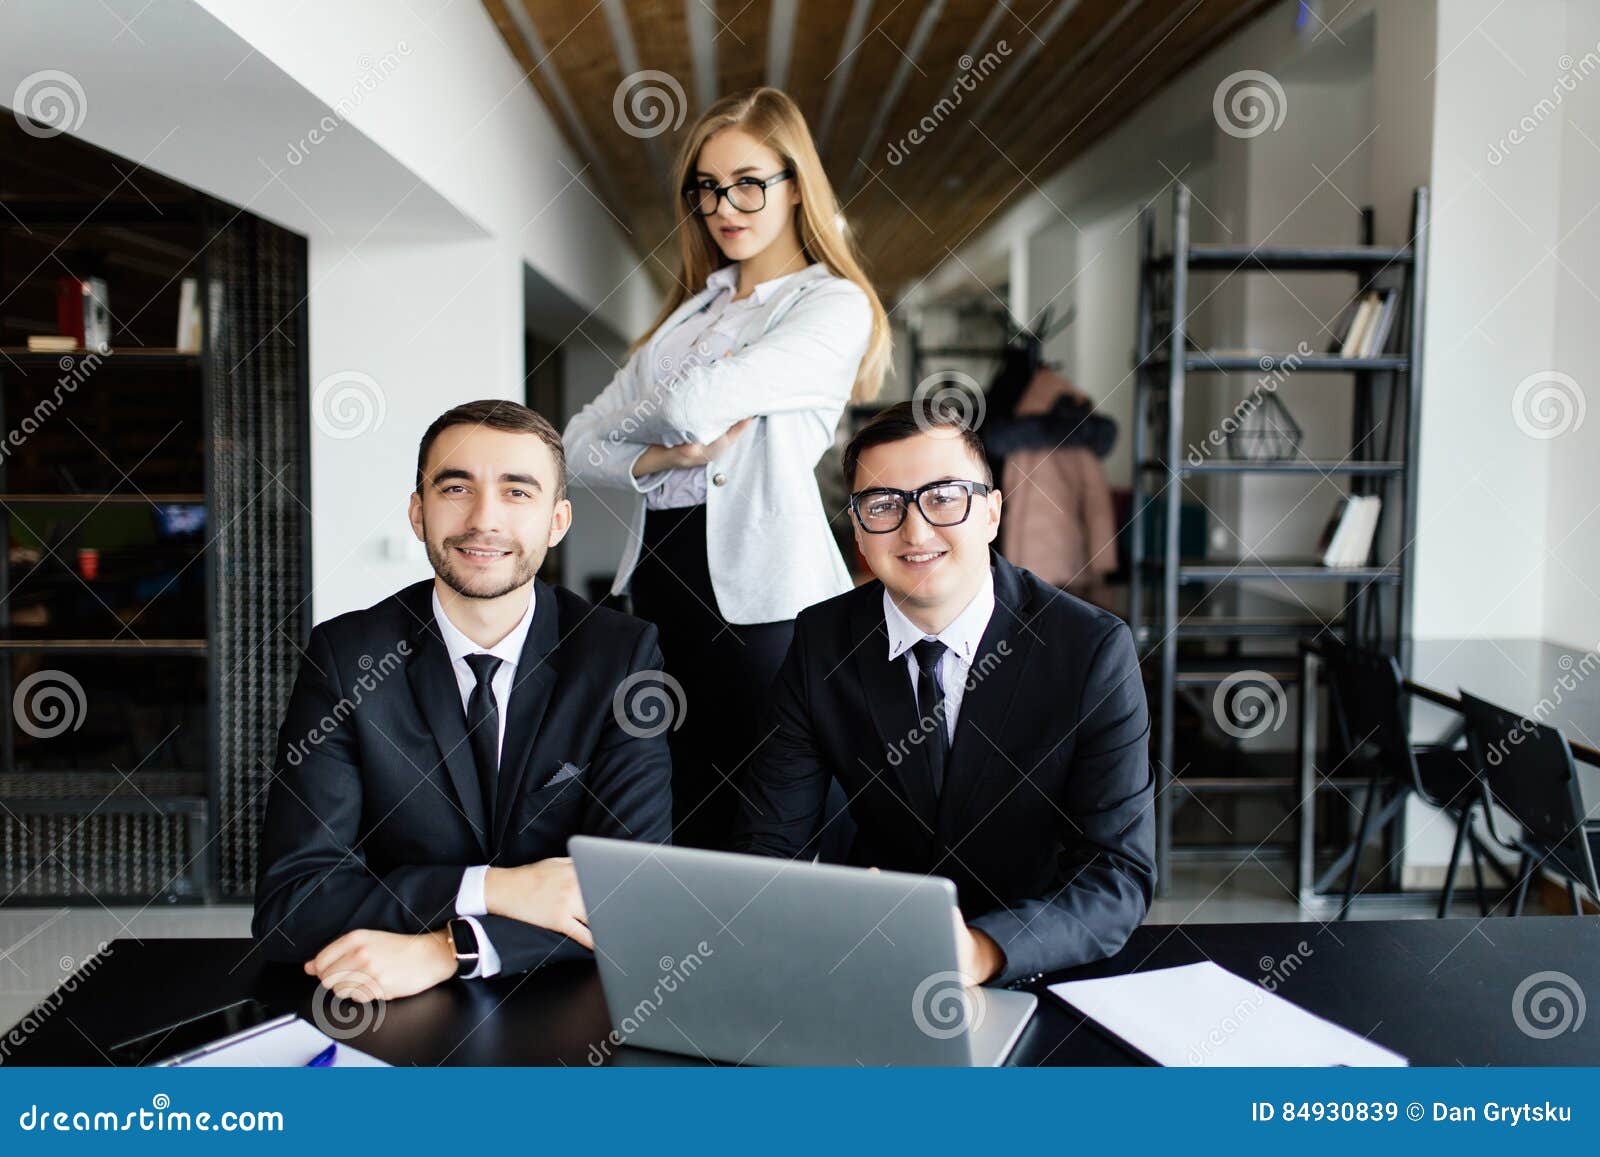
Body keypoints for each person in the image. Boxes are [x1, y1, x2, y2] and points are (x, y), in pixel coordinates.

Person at [253, 400, 671, 1002]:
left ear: (557, 522)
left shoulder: (621, 656)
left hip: (570, 1002)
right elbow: (294, 905)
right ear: (418, 513)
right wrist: (493, 890)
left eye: (517, 493)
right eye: (456, 487)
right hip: (389, 1013)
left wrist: (451, 948)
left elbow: (634, 898)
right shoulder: (348, 656)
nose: (485, 519)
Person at [563, 86, 889, 851]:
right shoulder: (689, 315)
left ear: (795, 184)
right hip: (659, 587)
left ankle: (786, 970)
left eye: (749, 182)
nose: (725, 205)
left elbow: (697, 404)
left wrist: (658, 418)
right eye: (707, 188)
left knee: (772, 821)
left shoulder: (831, 305)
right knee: (675, 809)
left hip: (764, 602)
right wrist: (658, 456)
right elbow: (574, 444)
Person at [730, 400, 1156, 985]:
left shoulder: (1090, 649)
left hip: (1038, 958)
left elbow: (1119, 873)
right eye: (882, 505)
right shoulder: (822, 640)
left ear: (991, 512)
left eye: (945, 496)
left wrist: (982, 950)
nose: (915, 529)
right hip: (874, 956)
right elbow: (770, 845)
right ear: (858, 529)